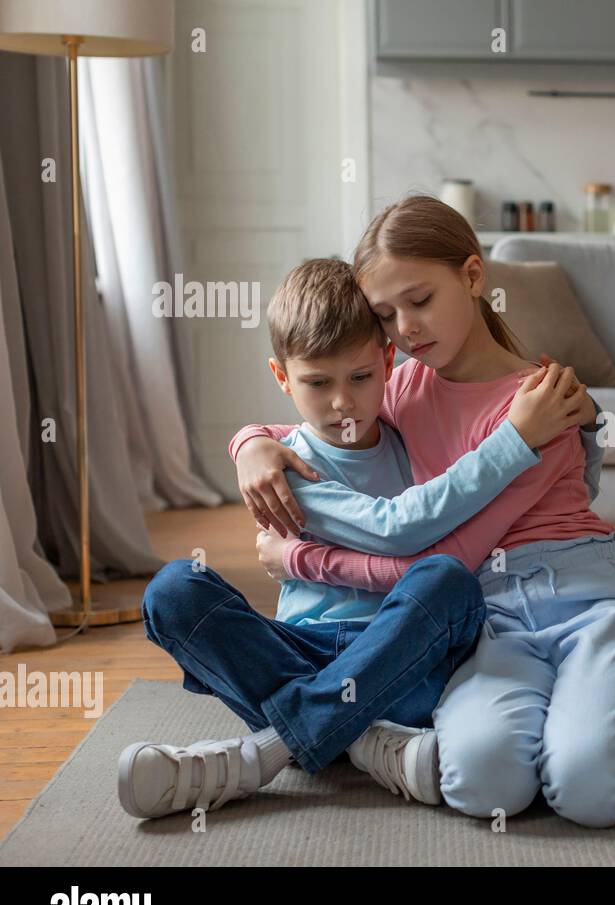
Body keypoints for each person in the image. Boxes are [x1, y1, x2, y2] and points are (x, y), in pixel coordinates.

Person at [234, 197, 615, 829]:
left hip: (584, 598)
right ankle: (580, 722)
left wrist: (302, 557)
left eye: (421, 299)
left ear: (472, 276)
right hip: (484, 619)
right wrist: (251, 443)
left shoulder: (542, 403)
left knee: (591, 790)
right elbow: (322, 422)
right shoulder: (400, 385)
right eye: (386, 314)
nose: (405, 328)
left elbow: (439, 555)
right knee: (482, 785)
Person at [120, 258, 585, 818]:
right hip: (304, 652)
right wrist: (251, 443)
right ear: (281, 377)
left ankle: (261, 753)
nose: (343, 403)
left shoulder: (412, 433)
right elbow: (396, 530)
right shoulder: (286, 470)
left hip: (405, 655)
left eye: (361, 378)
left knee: (446, 582)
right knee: (174, 590)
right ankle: (362, 741)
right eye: (318, 383)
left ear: (388, 361)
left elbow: (418, 537)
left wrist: (300, 555)